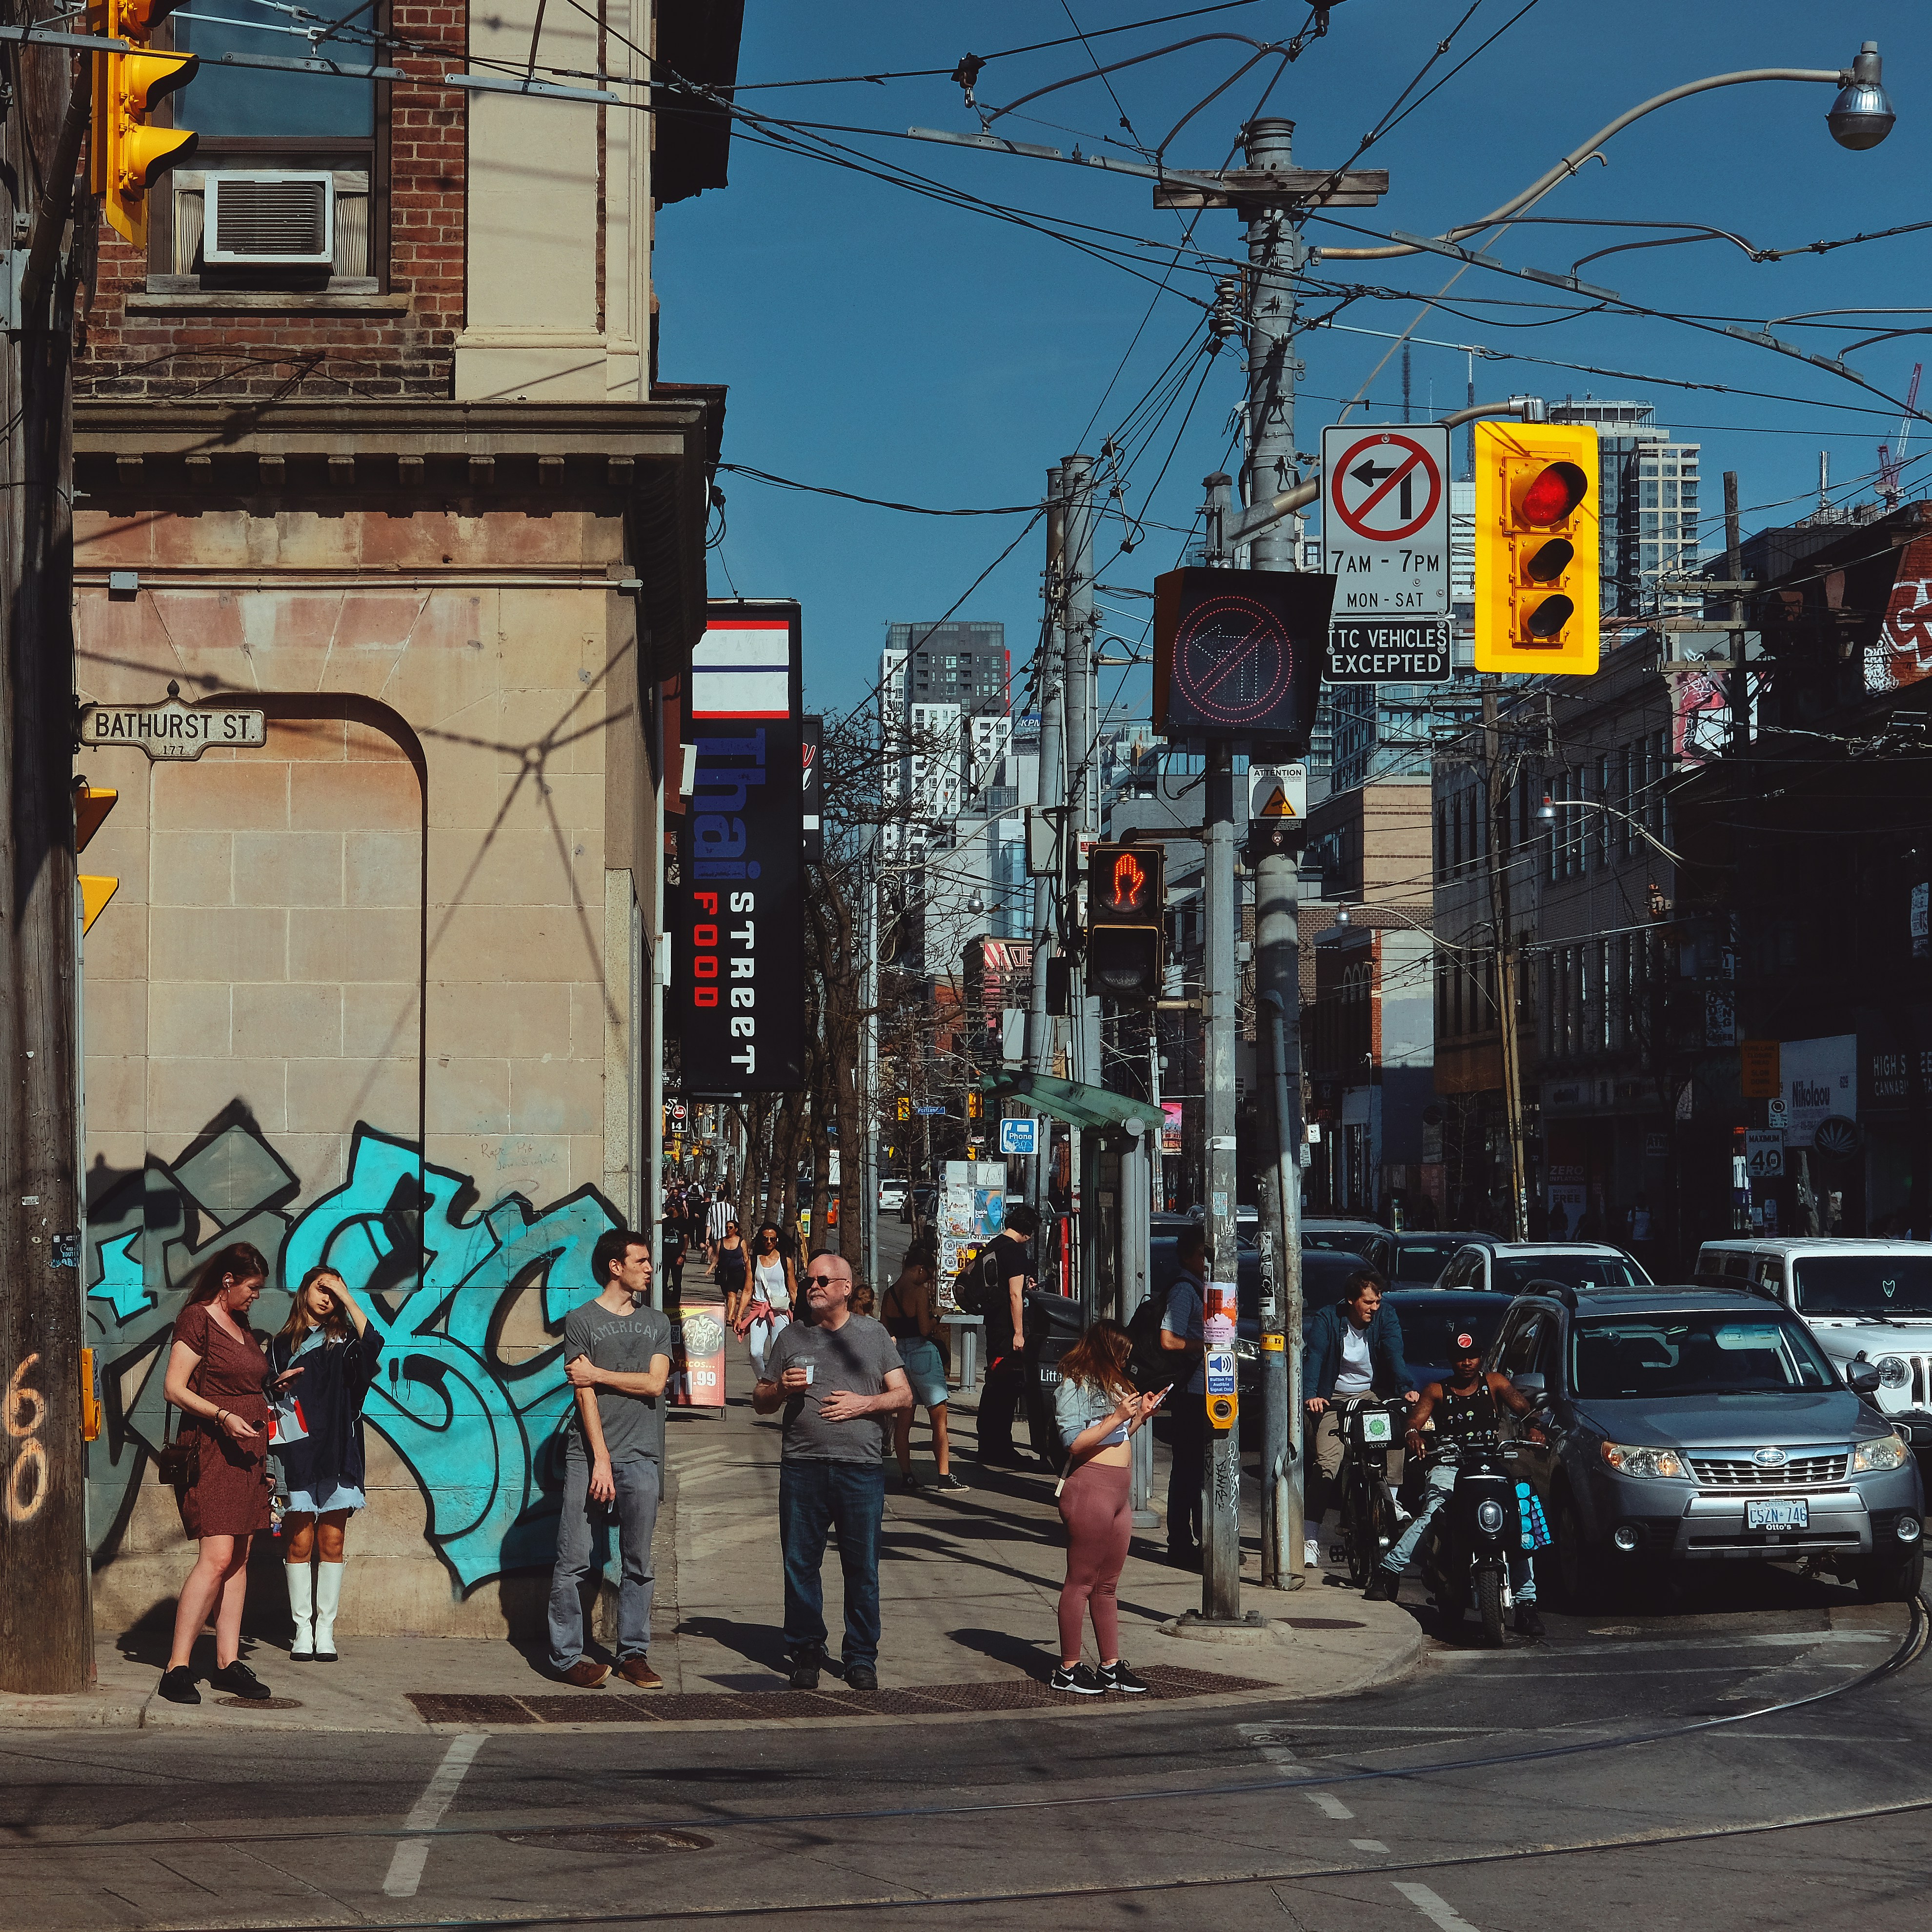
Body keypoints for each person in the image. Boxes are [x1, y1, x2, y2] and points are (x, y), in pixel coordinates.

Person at [752, 1250, 912, 1691]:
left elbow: (904, 1397)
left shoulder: (873, 1335)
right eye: (808, 1281)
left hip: (860, 1469)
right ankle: (806, 1649)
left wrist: (866, 1403)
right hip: (802, 1466)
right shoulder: (791, 1338)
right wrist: (780, 1389)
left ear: (845, 1288)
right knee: (801, 1563)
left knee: (862, 1567)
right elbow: (760, 1400)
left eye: (823, 1280)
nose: (814, 1287)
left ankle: (861, 1655)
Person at [157, 1241, 283, 1705]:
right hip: (213, 1449)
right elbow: (174, 1388)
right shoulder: (197, 1319)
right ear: (228, 1281)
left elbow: (242, 1381)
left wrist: (271, 1386)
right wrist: (222, 1417)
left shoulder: (241, 1323)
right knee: (215, 1557)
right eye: (252, 1287)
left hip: (249, 1453)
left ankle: (228, 1662)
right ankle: (177, 1668)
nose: (256, 1296)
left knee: (240, 1557)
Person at [548, 1229, 674, 1689]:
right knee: (575, 1559)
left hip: (643, 1455)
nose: (649, 1268)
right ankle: (566, 1658)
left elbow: (655, 1385)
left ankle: (633, 1654)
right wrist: (600, 1460)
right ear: (615, 1267)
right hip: (591, 1457)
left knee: (638, 1561)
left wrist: (598, 1373)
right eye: (641, 1261)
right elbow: (585, 1397)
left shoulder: (658, 1323)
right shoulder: (581, 1320)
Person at [1365, 1331, 1545, 1636]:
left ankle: (1527, 1605)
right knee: (1434, 1512)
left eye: (1473, 1356)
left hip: (1491, 1465)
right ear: (1452, 1361)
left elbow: (1524, 1409)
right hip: (1448, 1466)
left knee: (1521, 1517)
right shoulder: (1437, 1390)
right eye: (1461, 1358)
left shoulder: (1496, 1382)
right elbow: (1413, 1421)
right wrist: (1414, 1435)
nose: (1467, 1363)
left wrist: (1535, 1428)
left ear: (1481, 1358)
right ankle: (1387, 1572)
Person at [268, 1266, 382, 1663]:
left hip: (338, 1450)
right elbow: (265, 1397)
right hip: (296, 1452)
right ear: (304, 1291)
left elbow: (375, 1343)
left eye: (334, 1291)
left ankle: (325, 1629)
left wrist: (349, 1298)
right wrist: (276, 1386)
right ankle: (302, 1628)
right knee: (298, 1542)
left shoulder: (346, 1340)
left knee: (332, 1541)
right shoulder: (280, 1344)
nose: (327, 1297)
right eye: (321, 1288)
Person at [1051, 1318, 1158, 1695]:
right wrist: (1117, 1416)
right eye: (1123, 1354)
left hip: (1116, 1493)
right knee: (1080, 1582)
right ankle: (1067, 1667)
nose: (1127, 1362)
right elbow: (1074, 1442)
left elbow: (1113, 1437)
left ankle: (1111, 1665)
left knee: (1108, 1585)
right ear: (1107, 1350)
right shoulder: (1075, 1384)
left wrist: (1139, 1418)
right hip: (1090, 1489)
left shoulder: (1114, 1384)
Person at [1302, 1269, 1419, 1571]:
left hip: (1370, 1396)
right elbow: (1315, 1355)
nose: (1374, 1308)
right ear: (1351, 1300)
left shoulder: (1385, 1317)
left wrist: (1406, 1388)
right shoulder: (1329, 1319)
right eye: (1368, 1302)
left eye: (1378, 1301)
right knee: (1327, 1464)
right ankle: (1310, 1537)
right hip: (1335, 1399)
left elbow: (1394, 1353)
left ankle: (1390, 1500)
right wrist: (1313, 1394)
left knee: (1393, 1433)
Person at [882, 1237, 966, 1492]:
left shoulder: (889, 1294)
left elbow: (885, 1330)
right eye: (928, 1275)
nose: (929, 1281)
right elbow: (925, 1328)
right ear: (919, 1270)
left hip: (899, 1358)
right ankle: (944, 1476)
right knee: (939, 1418)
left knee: (904, 1420)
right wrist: (937, 1315)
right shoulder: (918, 1292)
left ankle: (907, 1475)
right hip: (923, 1354)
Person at [1158, 1224, 1209, 1568]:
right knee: (1189, 1471)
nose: (1210, 1260)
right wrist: (1204, 1346)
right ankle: (1180, 1542)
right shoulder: (1184, 1290)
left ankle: (1203, 1540)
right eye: (1205, 1253)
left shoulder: (1202, 1287)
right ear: (1191, 1255)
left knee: (1202, 1469)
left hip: (1207, 1390)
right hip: (1191, 1392)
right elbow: (1168, 1339)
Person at [974, 1204, 1040, 1468]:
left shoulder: (995, 1245)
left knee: (993, 1385)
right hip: (1006, 1328)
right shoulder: (1014, 1252)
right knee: (1005, 1387)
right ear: (1027, 1230)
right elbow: (1015, 1294)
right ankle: (1002, 1447)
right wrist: (1019, 1333)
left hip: (993, 1324)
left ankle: (988, 1443)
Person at [735, 1222, 797, 1381]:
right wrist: (739, 1315)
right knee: (755, 1352)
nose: (769, 1242)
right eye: (766, 1239)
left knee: (778, 1354)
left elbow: (793, 1290)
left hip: (781, 1311)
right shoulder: (753, 1262)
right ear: (761, 1240)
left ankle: (775, 1385)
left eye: (773, 1239)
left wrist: (800, 1315)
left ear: (777, 1241)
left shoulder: (787, 1262)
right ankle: (765, 1382)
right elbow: (748, 1290)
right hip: (759, 1310)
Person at [713, 1219, 749, 1326]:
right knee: (728, 1295)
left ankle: (729, 1318)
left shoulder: (741, 1242)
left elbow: (746, 1258)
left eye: (730, 1227)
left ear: (736, 1229)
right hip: (725, 1272)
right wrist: (711, 1268)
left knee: (732, 1293)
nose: (728, 1229)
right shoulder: (721, 1241)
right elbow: (717, 1256)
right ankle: (732, 1315)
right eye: (727, 1227)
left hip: (738, 1272)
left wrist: (750, 1272)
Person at [660, 1209, 687, 1317]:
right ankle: (665, 1303)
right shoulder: (665, 1222)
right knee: (663, 1281)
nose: (667, 1208)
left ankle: (676, 1304)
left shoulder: (683, 1222)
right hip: (665, 1257)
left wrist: (683, 1255)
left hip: (677, 1257)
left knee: (677, 1281)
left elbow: (686, 1239)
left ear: (675, 1208)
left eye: (669, 1206)